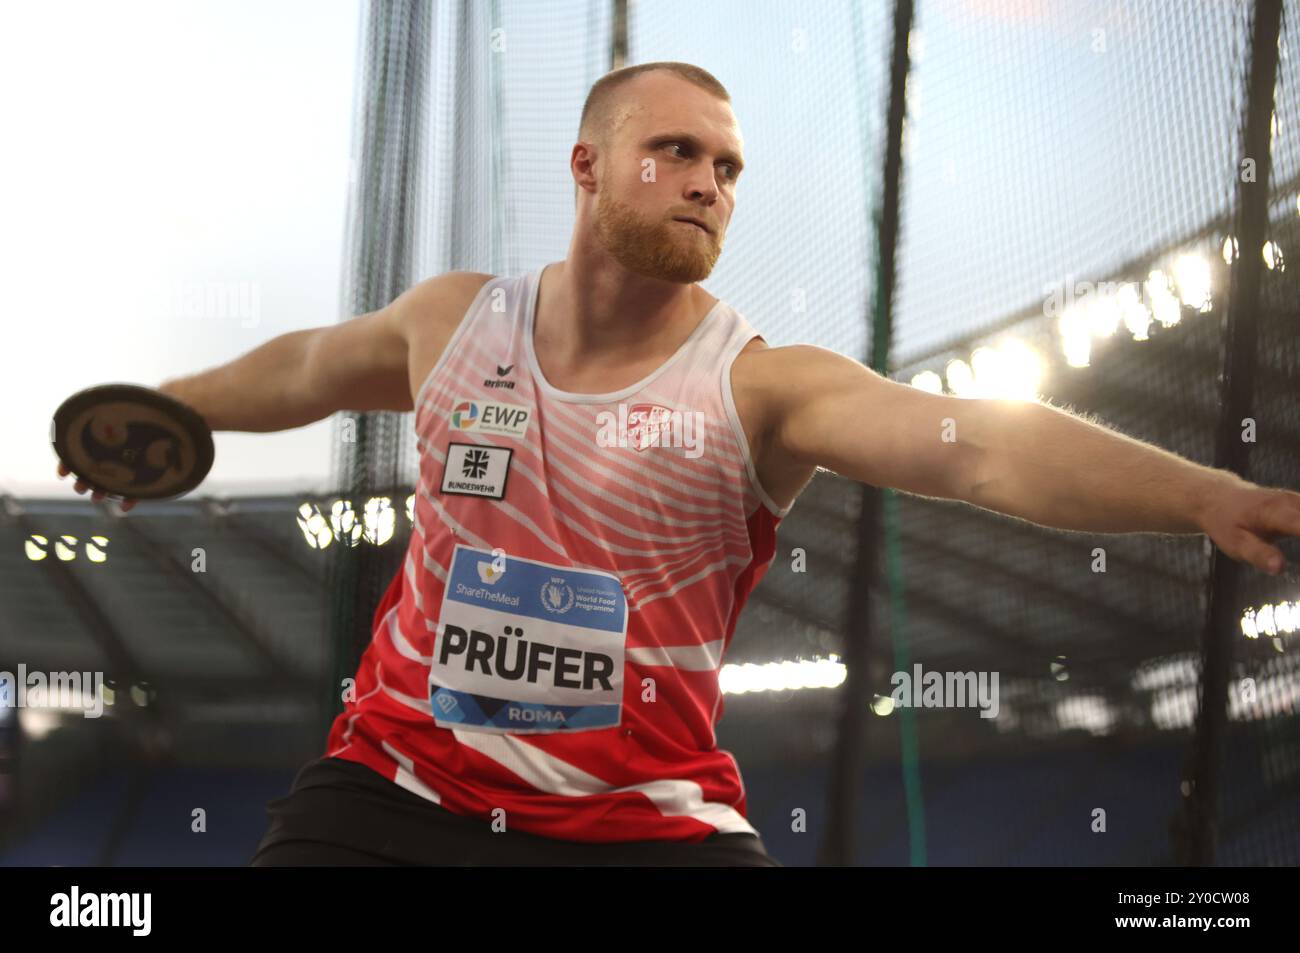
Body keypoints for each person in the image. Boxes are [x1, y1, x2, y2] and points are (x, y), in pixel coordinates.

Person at [61, 62, 1300, 866]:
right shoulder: (456, 323)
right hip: (392, 797)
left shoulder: (758, 386)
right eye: (676, 153)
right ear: (588, 164)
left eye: (726, 169)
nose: (708, 183)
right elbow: (308, 370)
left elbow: (977, 446)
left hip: (646, 828)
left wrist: (1204, 493)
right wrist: (169, 411)